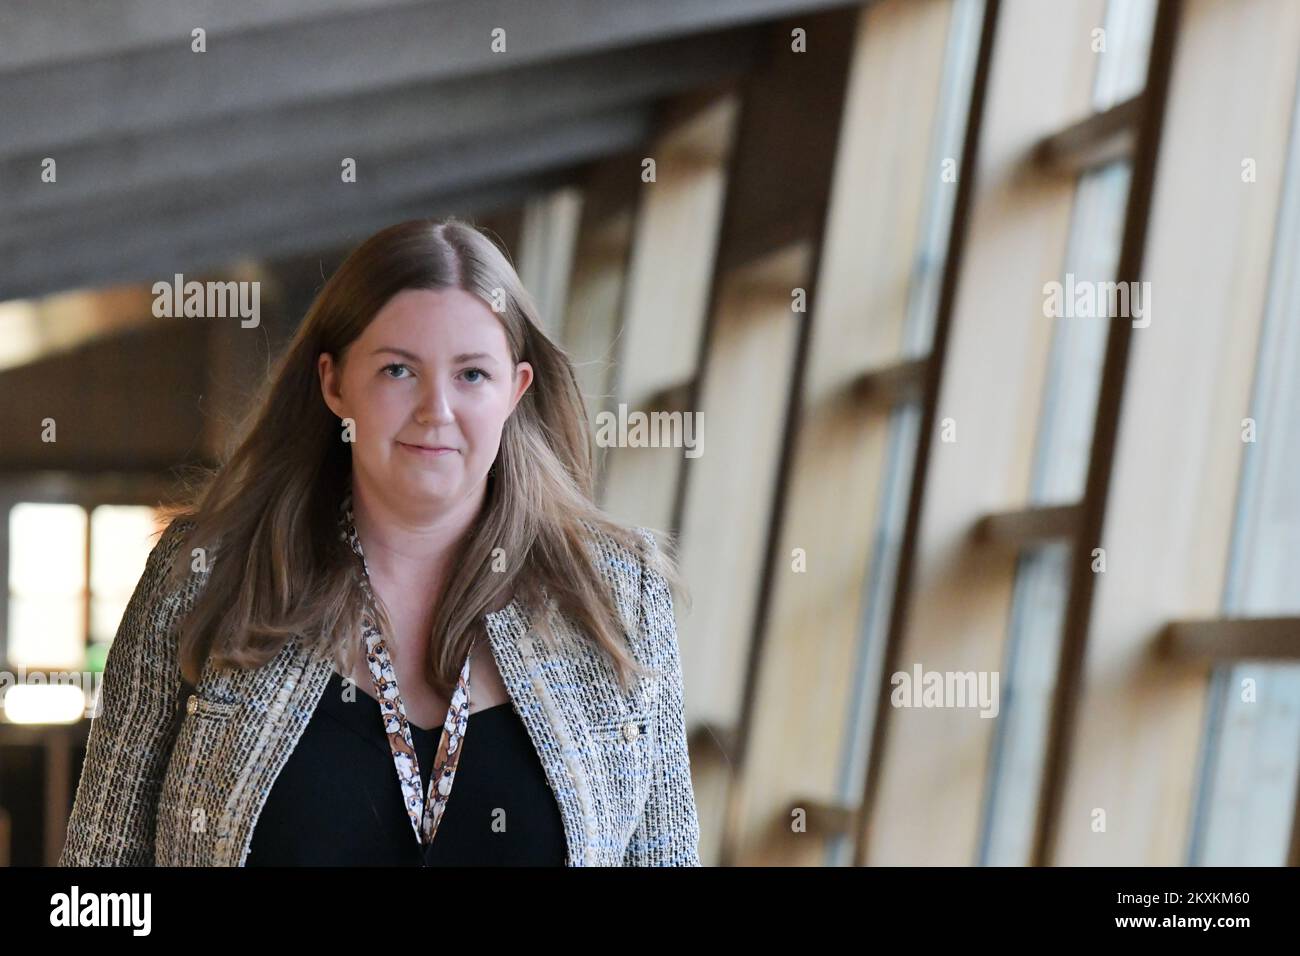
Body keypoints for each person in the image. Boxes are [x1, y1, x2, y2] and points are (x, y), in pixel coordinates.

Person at [58, 217, 702, 866]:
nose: (436, 410)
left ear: (516, 389)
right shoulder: (207, 575)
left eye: (472, 374)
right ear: (335, 383)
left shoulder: (621, 594)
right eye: (399, 370)